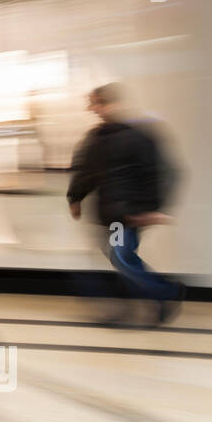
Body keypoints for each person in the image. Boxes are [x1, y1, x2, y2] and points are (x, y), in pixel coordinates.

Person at [66, 82, 186, 324]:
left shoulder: (138, 136)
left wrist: (150, 208)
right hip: (106, 213)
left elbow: (162, 173)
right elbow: (86, 171)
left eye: (96, 103)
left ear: (112, 104)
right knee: (120, 259)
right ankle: (143, 303)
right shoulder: (96, 138)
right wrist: (75, 197)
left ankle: (167, 292)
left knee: (122, 258)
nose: (92, 108)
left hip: (128, 214)